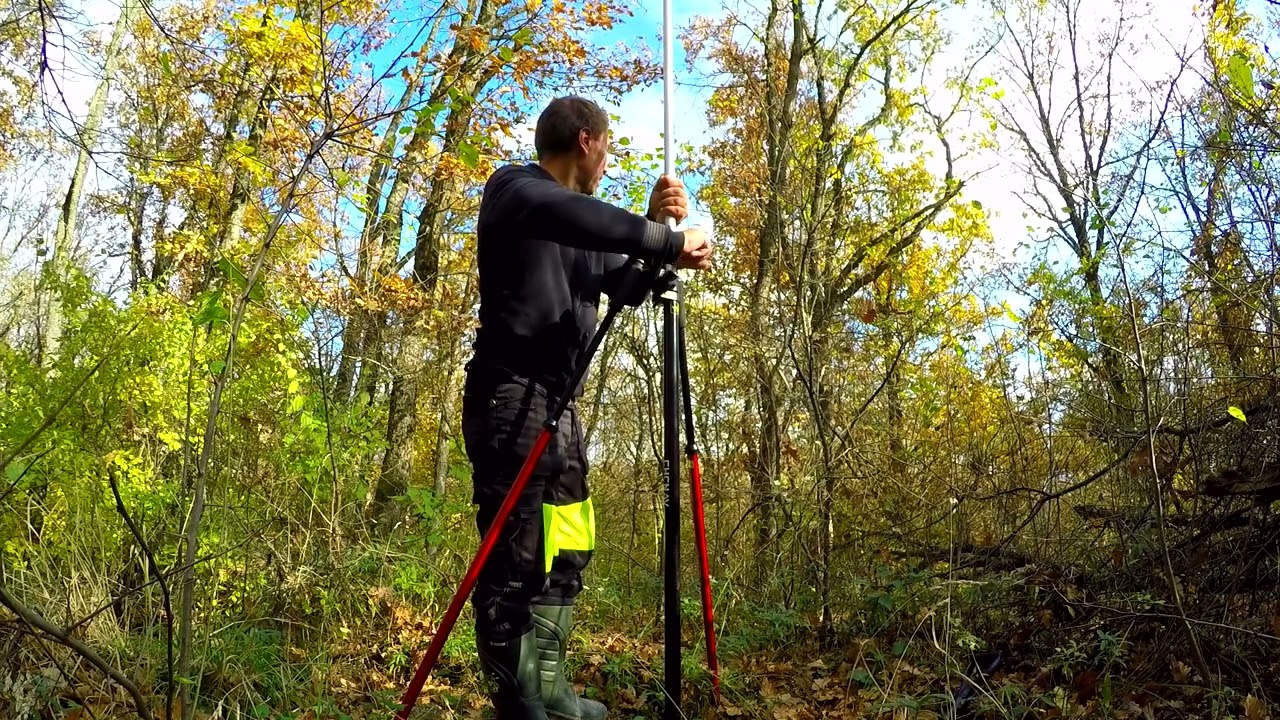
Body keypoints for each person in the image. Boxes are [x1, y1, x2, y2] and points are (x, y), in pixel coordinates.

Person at [459, 94, 713, 719]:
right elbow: (570, 215)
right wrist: (658, 234)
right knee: (515, 553)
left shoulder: (585, 223)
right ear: (586, 141)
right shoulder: (515, 190)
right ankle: (518, 705)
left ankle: (550, 689)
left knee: (570, 542)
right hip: (509, 396)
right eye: (606, 147)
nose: (606, 161)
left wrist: (661, 248)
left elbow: (624, 280)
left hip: (561, 408)